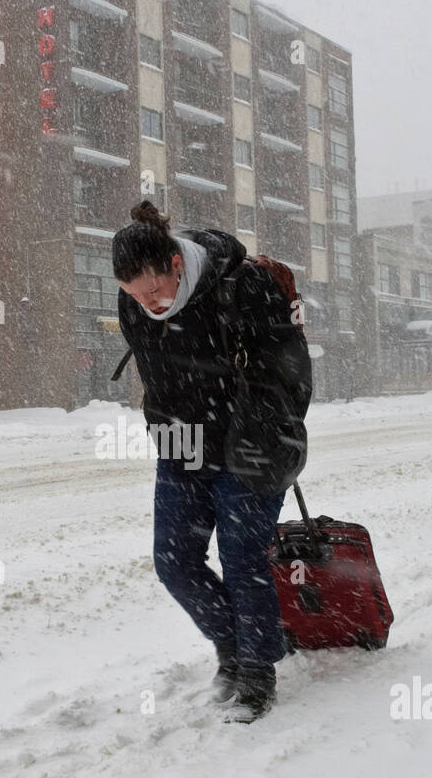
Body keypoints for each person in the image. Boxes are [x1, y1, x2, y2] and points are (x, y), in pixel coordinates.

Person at [112, 199, 312, 722]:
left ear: (176, 263)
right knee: (173, 563)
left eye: (154, 290)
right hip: (182, 447)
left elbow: (291, 369)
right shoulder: (133, 302)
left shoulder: (240, 286)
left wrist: (271, 428)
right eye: (135, 295)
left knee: (244, 561)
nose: (147, 303)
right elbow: (158, 374)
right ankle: (233, 647)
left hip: (248, 446)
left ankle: (256, 671)